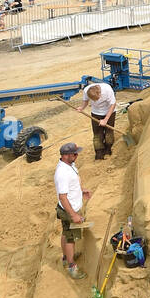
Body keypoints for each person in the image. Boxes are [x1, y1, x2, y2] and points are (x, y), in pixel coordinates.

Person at [54, 142, 91, 278]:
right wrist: (74, 215)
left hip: (69, 208)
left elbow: (72, 186)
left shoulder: (69, 165)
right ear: (66, 156)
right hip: (68, 210)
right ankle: (71, 266)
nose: (77, 155)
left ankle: (66, 258)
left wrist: (81, 191)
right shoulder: (62, 173)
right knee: (71, 238)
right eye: (75, 154)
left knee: (66, 233)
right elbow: (63, 197)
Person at [84, 80, 116, 160]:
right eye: (93, 100)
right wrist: (82, 107)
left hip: (109, 112)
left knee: (109, 133)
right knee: (97, 135)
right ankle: (99, 154)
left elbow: (113, 105)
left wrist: (105, 119)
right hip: (95, 113)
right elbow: (85, 101)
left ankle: (108, 150)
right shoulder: (86, 90)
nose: (95, 101)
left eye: (96, 99)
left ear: (100, 93)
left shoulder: (107, 90)